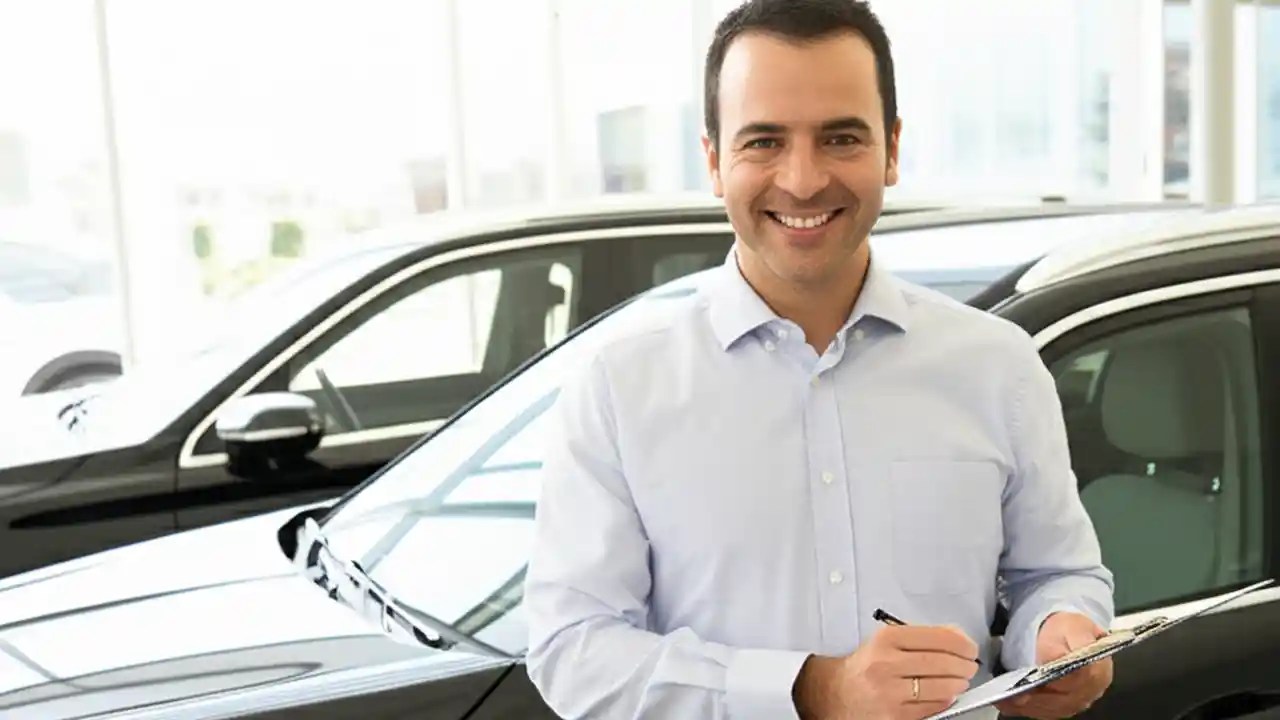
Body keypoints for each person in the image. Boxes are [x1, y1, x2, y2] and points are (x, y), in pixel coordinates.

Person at [524, 0, 1116, 718]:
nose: (803, 180)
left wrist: (1058, 636)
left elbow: (1055, 576)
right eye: (763, 142)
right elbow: (575, 652)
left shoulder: (999, 368)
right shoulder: (619, 389)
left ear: (892, 149)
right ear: (713, 159)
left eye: (840, 138)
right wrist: (811, 689)